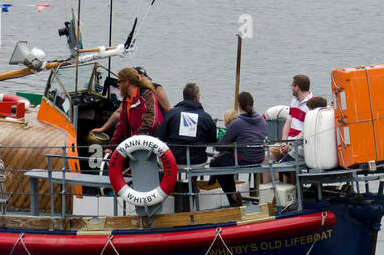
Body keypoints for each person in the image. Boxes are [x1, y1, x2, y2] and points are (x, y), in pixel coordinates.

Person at [160, 82, 218, 211]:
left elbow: (161, 137)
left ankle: (166, 189)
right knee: (196, 158)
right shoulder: (206, 117)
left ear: (183, 96)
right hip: (196, 162)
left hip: (172, 162)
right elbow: (212, 141)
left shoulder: (171, 114)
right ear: (197, 98)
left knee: (161, 161)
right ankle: (193, 183)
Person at [208, 92, 267, 207]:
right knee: (225, 163)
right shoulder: (262, 121)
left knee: (216, 163)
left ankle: (232, 198)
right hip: (259, 158)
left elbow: (220, 145)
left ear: (239, 106)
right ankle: (234, 197)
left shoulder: (237, 123)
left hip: (244, 159)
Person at [90, 66, 170, 143]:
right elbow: (118, 114)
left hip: (152, 137)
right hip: (135, 138)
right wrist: (103, 129)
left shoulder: (152, 90)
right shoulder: (128, 98)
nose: (118, 84)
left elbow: (167, 110)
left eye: (119, 81)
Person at [108, 67, 160, 148]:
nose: (118, 84)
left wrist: (134, 140)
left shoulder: (147, 95)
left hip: (147, 144)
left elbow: (150, 121)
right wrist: (111, 147)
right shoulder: (127, 100)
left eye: (119, 81)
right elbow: (121, 126)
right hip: (132, 144)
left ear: (127, 82)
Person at [271, 74, 315, 162]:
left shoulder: (311, 105)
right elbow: (288, 123)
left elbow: (306, 132)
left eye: (292, 85)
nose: (291, 88)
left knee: (282, 164)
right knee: (266, 155)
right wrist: (284, 142)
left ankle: (282, 174)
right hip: (288, 143)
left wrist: (289, 145)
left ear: (297, 88)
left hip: (299, 145)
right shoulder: (294, 102)